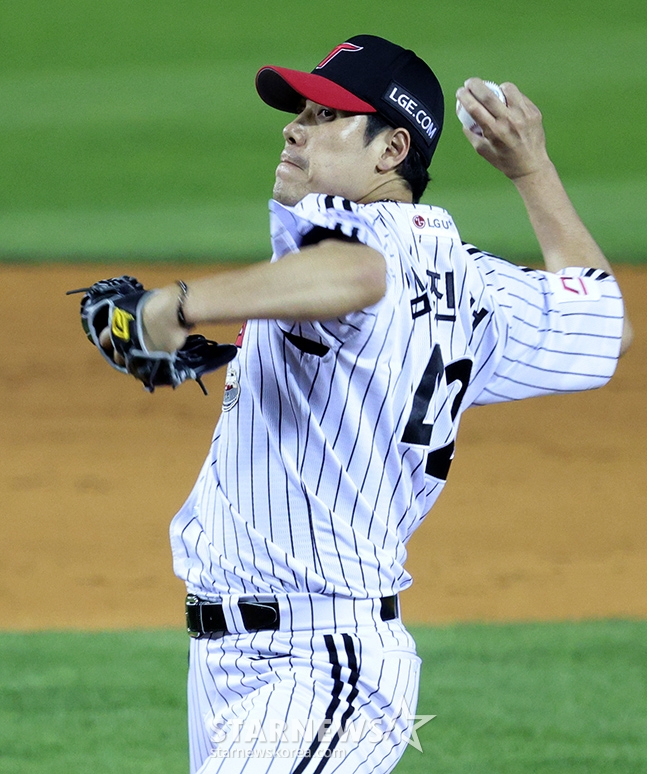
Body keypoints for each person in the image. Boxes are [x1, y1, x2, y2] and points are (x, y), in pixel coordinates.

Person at [108, 34, 632, 773]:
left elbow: (356, 273)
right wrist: (532, 170)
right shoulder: (467, 277)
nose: (294, 127)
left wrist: (178, 306)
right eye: (301, 111)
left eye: (326, 116)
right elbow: (601, 323)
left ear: (391, 151)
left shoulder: (356, 239)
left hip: (320, 668)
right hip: (260, 662)